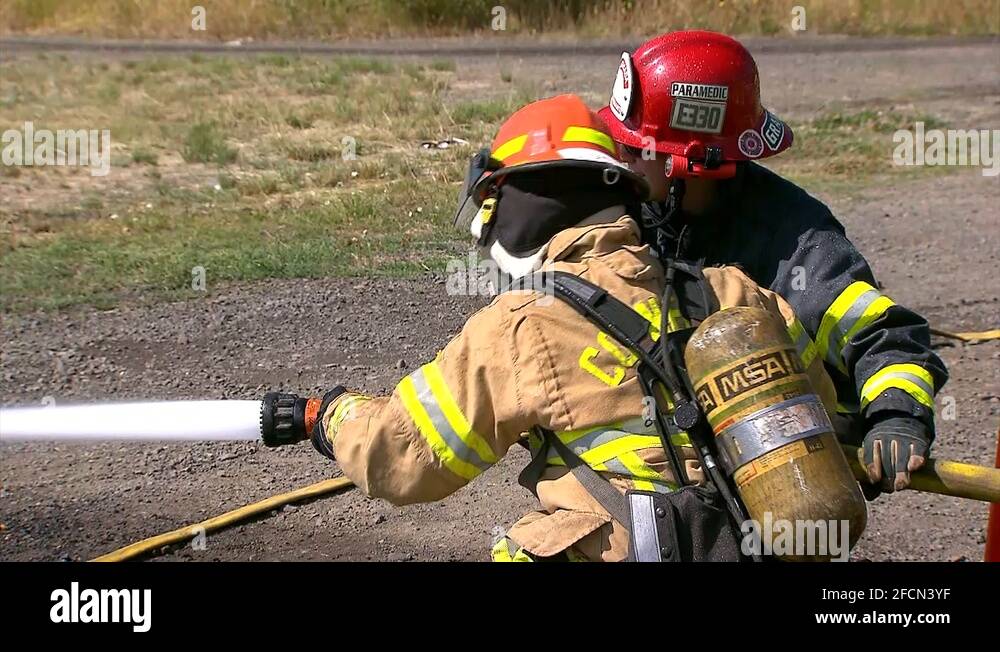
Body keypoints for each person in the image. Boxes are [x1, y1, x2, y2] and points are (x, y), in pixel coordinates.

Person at [303, 94, 845, 561]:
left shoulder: (521, 327)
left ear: (515, 206)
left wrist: (329, 416)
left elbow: (405, 458)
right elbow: (827, 421)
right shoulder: (736, 291)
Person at [596, 30, 948, 497]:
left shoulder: (792, 239)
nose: (623, 155)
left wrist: (895, 416)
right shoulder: (630, 207)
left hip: (777, 464)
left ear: (693, 164)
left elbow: (881, 336)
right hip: (669, 451)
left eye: (639, 147)